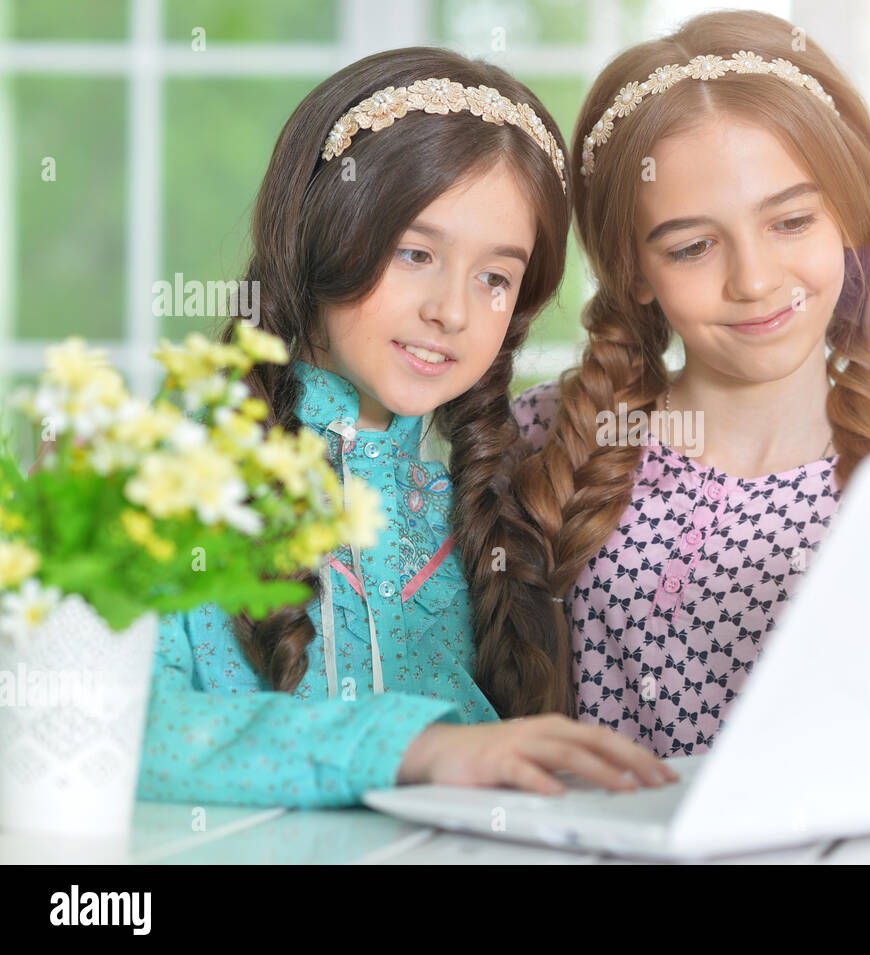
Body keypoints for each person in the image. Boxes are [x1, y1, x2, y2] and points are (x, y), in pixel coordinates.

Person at [139, 46, 674, 808]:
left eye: (495, 277)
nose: (452, 311)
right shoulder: (174, 467)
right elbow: (128, 729)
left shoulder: (479, 500)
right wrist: (411, 746)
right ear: (323, 230)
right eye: (416, 252)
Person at [514, 11, 870, 757]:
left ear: (846, 220)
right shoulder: (550, 435)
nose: (752, 280)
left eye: (791, 222)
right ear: (634, 272)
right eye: (692, 247)